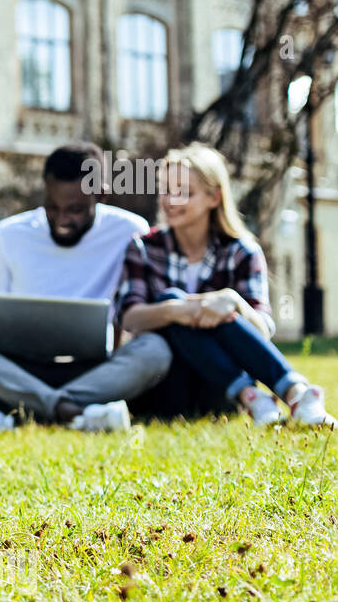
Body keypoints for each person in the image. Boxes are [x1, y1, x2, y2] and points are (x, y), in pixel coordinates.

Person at [119, 142, 333, 427]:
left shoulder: (242, 252)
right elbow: (130, 318)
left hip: (218, 390)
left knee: (222, 307)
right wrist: (176, 310)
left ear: (214, 197)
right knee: (171, 298)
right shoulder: (143, 248)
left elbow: (261, 332)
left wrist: (233, 302)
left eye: (184, 191)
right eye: (164, 190)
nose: (170, 200)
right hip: (166, 386)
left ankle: (291, 394)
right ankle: (269, 395)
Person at [0, 142, 172, 434]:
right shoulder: (8, 234)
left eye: (75, 210)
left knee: (156, 350)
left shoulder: (130, 231)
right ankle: (72, 412)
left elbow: (134, 313)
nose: (62, 220)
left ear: (99, 194)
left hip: (93, 372)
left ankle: (33, 410)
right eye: (53, 207)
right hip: (21, 370)